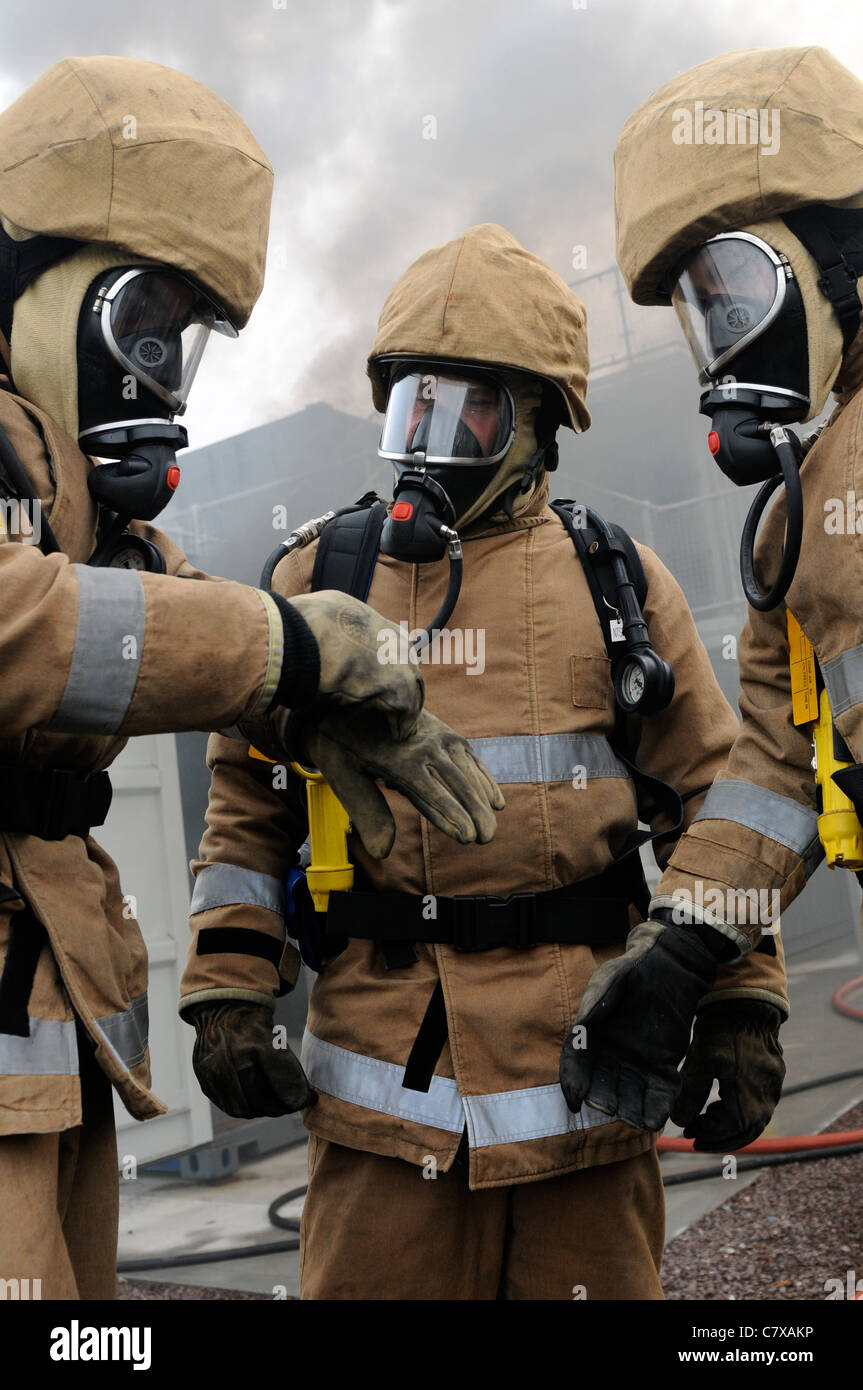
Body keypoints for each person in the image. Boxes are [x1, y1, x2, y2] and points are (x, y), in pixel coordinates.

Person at [180, 222, 787, 1300]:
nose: (429, 441)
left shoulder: (616, 581)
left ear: (538, 425)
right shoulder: (323, 575)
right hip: (381, 1108)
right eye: (412, 406)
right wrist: (228, 983)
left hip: (585, 1086)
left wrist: (740, 998)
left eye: (467, 412)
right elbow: (248, 797)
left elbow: (716, 803)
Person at [0, 57, 500, 1301]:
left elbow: (149, 610)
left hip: (50, 1069)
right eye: (143, 329)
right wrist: (286, 649)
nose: (161, 380)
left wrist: (294, 693)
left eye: (185, 344)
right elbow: (28, 626)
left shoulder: (76, 518)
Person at [564, 44, 863, 1145]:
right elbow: (782, 767)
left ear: (840, 258)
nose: (720, 344)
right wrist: (686, 943)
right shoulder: (796, 515)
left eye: (732, 292)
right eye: (700, 309)